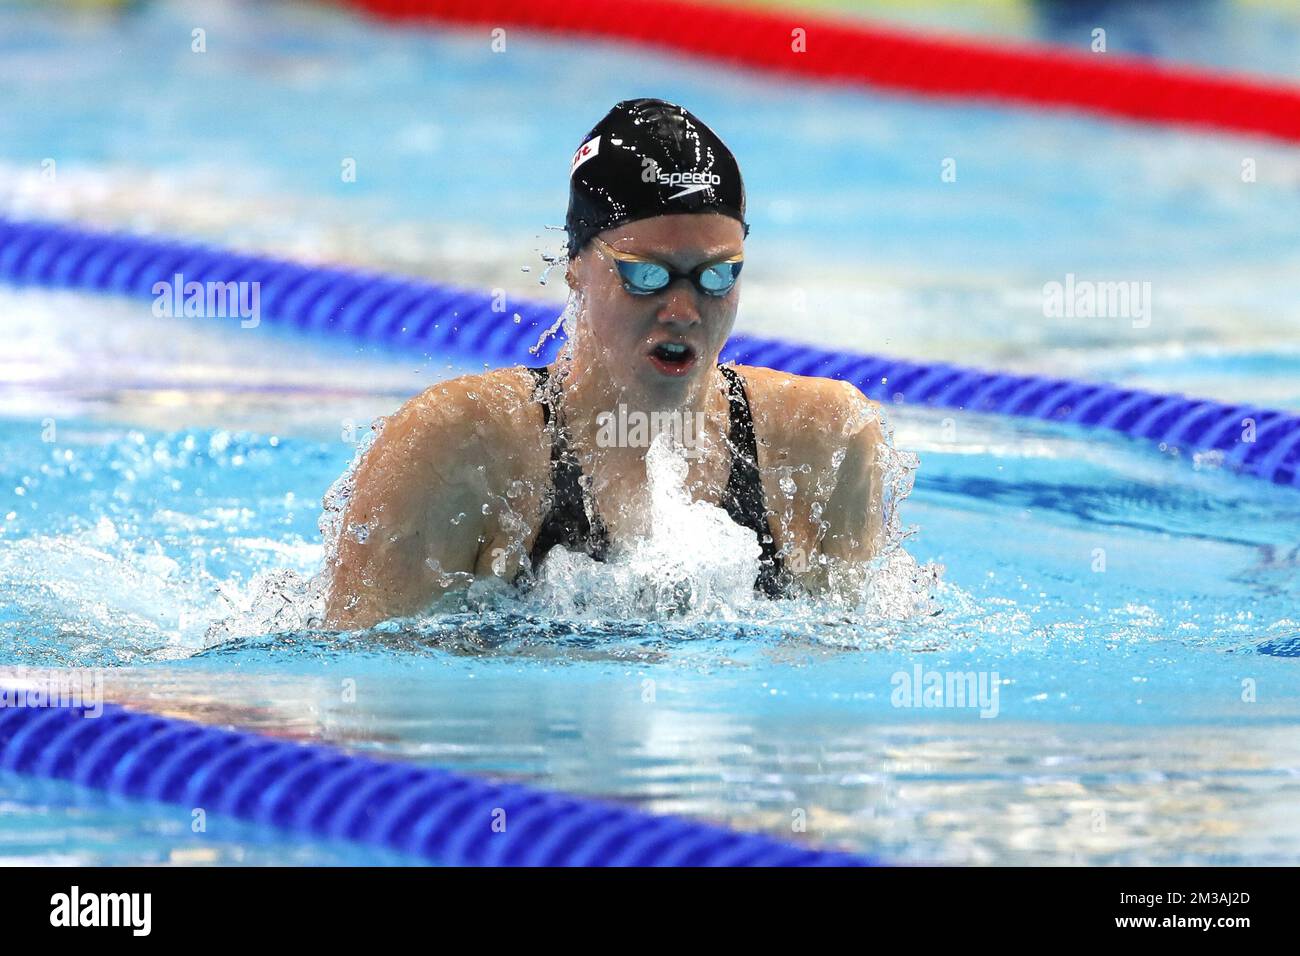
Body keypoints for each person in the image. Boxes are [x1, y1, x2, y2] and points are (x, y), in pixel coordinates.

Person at [325, 98, 883, 629]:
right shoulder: (460, 446)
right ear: (576, 266)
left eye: (718, 275)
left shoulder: (824, 442)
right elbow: (366, 689)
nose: (684, 311)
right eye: (646, 275)